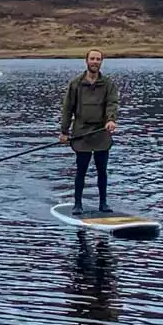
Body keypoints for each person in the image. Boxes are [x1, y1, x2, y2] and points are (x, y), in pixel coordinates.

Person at [58, 48, 119, 215]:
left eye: (98, 59)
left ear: (101, 62)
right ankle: (77, 204)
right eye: (92, 59)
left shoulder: (108, 84)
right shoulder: (75, 84)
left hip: (101, 132)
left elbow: (112, 103)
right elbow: (67, 108)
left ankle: (103, 203)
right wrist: (64, 131)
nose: (95, 62)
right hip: (81, 133)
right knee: (81, 170)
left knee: (102, 170)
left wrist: (111, 119)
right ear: (87, 61)